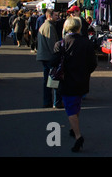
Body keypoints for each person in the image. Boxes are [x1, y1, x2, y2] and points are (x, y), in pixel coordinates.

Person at [52, 16, 97, 152]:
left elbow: (53, 62)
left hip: (67, 81)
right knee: (76, 104)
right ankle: (73, 128)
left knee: (70, 108)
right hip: (82, 80)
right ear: (79, 28)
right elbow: (93, 63)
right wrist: (85, 72)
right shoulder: (87, 43)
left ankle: (78, 136)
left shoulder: (61, 44)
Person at [36, 9, 62, 108]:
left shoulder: (45, 26)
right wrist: (57, 56)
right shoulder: (49, 27)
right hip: (49, 57)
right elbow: (52, 45)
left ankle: (48, 101)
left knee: (48, 80)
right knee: (54, 79)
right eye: (56, 15)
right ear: (49, 16)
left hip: (45, 56)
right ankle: (56, 102)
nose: (58, 17)